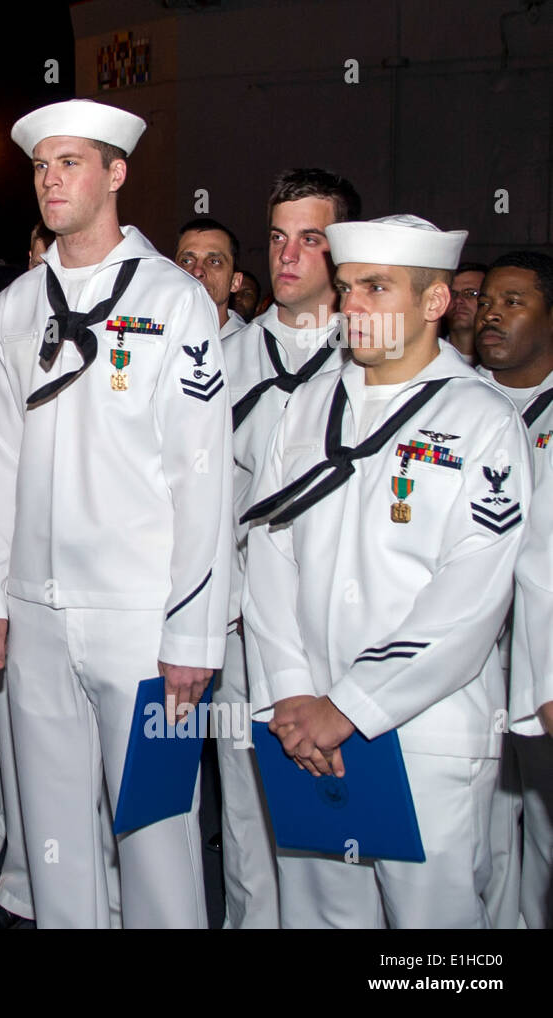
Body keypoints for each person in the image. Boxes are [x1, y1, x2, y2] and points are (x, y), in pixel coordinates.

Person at [0, 99, 233, 928]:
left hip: (140, 616)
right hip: (36, 609)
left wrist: (191, 635)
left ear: (115, 174)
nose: (51, 180)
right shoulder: (15, 306)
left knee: (155, 826)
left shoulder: (173, 298)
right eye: (41, 166)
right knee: (50, 829)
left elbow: (203, 479)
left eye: (70, 163)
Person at [241, 214, 529, 928]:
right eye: (345, 289)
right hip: (303, 727)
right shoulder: (310, 404)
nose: (354, 308)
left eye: (377, 287)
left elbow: (469, 600)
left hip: (419, 728)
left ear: (435, 303)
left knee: (433, 942)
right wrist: (292, 690)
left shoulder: (481, 420)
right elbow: (271, 555)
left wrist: (349, 705)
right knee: (318, 918)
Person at [216, 167, 358, 928]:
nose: (289, 255)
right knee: (246, 812)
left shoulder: (373, 359)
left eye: (310, 239)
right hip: (245, 619)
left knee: (339, 824)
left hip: (340, 627)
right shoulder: (226, 360)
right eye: (277, 238)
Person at [474, 250, 553, 928]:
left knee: (548, 838)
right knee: (484, 839)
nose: (492, 312)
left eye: (516, 301)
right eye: (489, 299)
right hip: (471, 658)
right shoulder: (455, 401)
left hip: (544, 657)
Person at [175, 217, 244, 337]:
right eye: (186, 261)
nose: (197, 271)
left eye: (214, 262)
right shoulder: (154, 341)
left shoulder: (254, 349)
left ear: (235, 282)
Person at [443, 261, 487, 365]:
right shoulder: (425, 359)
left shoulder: (503, 364)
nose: (458, 300)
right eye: (452, 294)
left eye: (471, 293)